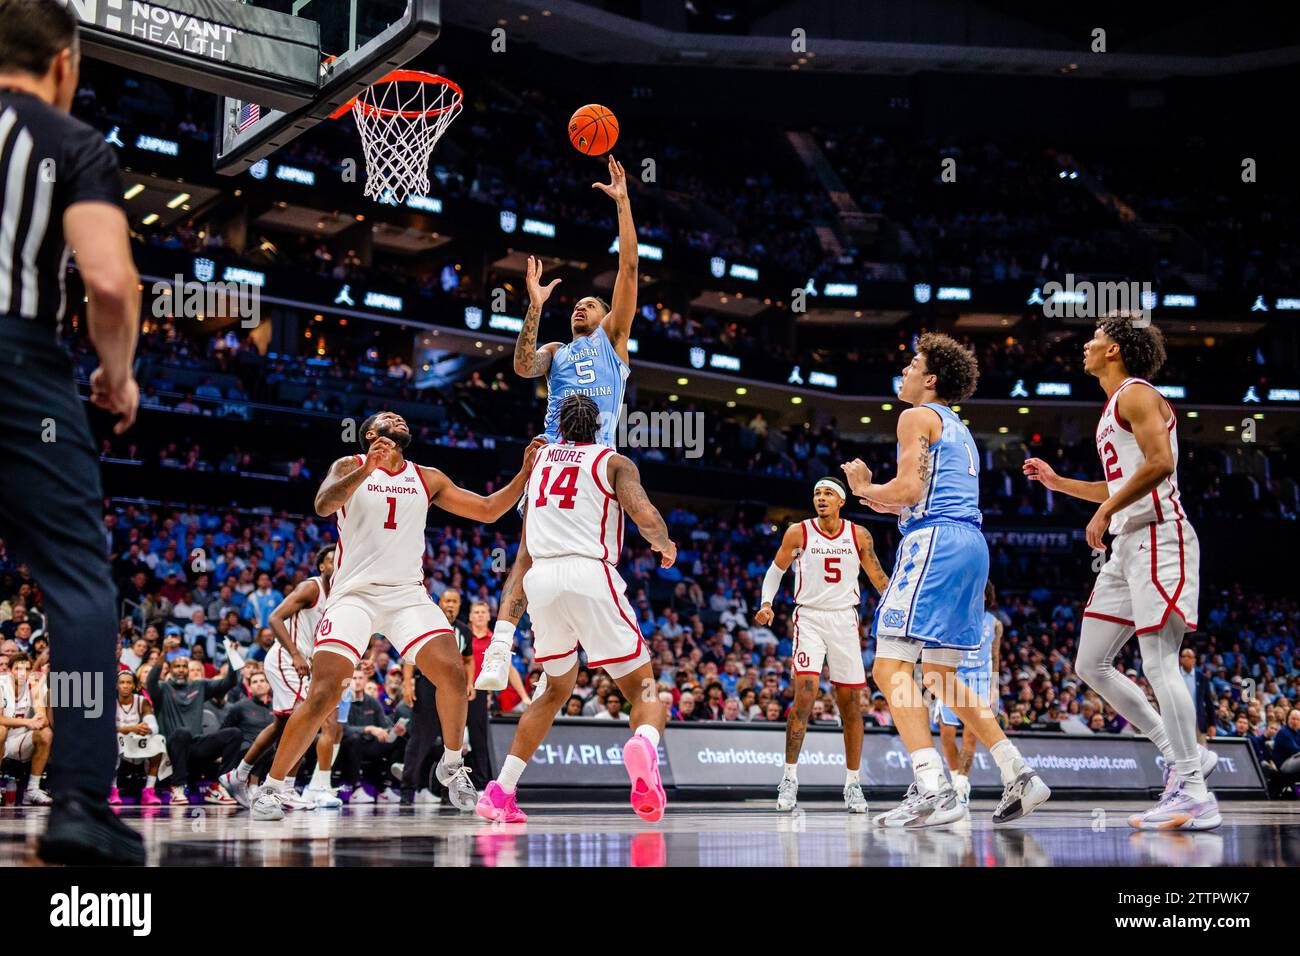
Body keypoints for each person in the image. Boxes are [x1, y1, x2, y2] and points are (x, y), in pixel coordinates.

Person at [0, 0, 144, 864]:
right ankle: (80, 801)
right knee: (80, 588)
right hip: (22, 370)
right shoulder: (69, 141)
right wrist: (116, 373)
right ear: (62, 65)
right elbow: (110, 282)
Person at [250, 412, 541, 820]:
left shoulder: (428, 477)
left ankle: (452, 765)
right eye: (387, 418)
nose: (398, 419)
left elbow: (490, 510)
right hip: (354, 595)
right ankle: (272, 788)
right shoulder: (350, 465)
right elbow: (322, 505)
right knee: (325, 692)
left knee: (454, 673)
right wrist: (367, 468)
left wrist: (525, 473)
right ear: (371, 434)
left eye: (401, 418)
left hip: (406, 595)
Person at [843, 332, 1050, 827]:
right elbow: (920, 491)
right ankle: (1017, 772)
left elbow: (912, 487)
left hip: (934, 542)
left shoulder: (915, 415)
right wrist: (886, 500)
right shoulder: (958, 428)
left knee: (888, 668)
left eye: (912, 364)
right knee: (939, 676)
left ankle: (933, 787)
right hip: (971, 547)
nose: (905, 371)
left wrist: (863, 488)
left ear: (930, 378)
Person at [1024, 315, 1219, 831]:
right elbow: (1123, 480)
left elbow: (1160, 465)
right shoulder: (1114, 406)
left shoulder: (1136, 394)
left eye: (1095, 339)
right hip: (1127, 546)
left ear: (1114, 351)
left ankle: (1194, 793)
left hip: (1159, 535)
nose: (1086, 345)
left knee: (1159, 661)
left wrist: (1106, 510)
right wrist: (1059, 482)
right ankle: (1183, 756)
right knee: (1090, 662)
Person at [477, 155, 640, 691]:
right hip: (550, 453)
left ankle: (581, 653)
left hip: (597, 460)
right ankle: (500, 647)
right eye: (577, 305)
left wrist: (622, 203)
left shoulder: (613, 342)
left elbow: (629, 271)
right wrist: (534, 305)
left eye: (589, 304)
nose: (581, 308)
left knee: (592, 557)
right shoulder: (557, 349)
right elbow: (523, 365)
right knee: (528, 552)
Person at [476, 394, 675, 824]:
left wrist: (503, 631)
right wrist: (664, 543)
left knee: (553, 689)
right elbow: (645, 515)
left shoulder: (540, 463)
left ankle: (500, 792)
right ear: (599, 426)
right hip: (589, 574)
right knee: (643, 688)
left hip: (541, 580)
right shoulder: (614, 462)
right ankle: (642, 741)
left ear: (559, 426)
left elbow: (523, 554)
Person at [754, 477, 890, 814]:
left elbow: (877, 577)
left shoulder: (858, 535)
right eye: (817, 493)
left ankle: (853, 784)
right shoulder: (798, 532)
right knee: (805, 693)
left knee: (851, 705)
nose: (821, 497)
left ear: (841, 500)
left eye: (828, 492)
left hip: (844, 620)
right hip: (810, 618)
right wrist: (767, 603)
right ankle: (789, 778)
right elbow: (775, 570)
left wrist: (900, 603)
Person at [220, 545, 341, 810]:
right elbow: (274, 619)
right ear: (321, 566)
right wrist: (296, 654)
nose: (337, 564)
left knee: (282, 725)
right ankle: (282, 787)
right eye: (331, 560)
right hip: (286, 659)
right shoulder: (310, 589)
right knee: (304, 721)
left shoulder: (339, 596)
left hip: (304, 663)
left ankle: (239, 774)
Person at [145, 637, 246, 805]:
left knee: (234, 734)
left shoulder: (199, 686)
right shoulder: (163, 688)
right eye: (177, 666)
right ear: (169, 670)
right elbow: (151, 682)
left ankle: (218, 784)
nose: (181, 670)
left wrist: (231, 654)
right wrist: (163, 653)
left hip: (196, 745)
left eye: (184, 666)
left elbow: (230, 682)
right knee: (182, 733)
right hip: (172, 747)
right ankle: (177, 787)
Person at [400, 587, 472, 804]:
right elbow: (408, 658)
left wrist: (470, 683)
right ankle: (407, 790)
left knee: (451, 740)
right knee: (420, 739)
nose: (450, 605)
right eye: (447, 601)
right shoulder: (428, 626)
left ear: (459, 605)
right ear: (440, 603)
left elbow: (468, 660)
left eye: (454, 601)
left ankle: (447, 793)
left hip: (452, 689)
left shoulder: (464, 631)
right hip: (427, 684)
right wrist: (407, 683)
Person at [935, 581, 1003, 806]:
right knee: (946, 733)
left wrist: (994, 688)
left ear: (986, 597)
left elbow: (995, 656)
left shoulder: (995, 624)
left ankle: (962, 785)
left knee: (970, 735)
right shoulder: (954, 618)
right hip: (954, 678)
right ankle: (955, 777)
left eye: (980, 594)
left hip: (981, 681)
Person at [0, 653, 52, 804]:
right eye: (18, 669)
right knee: (1, 729)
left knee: (46, 733)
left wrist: (39, 715)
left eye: (27, 669)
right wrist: (28, 722)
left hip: (19, 742)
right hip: (3, 739)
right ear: (9, 671)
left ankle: (32, 789)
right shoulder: (1, 684)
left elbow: (42, 720)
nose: (23, 673)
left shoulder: (33, 686)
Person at [110, 670, 164, 805]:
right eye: (122, 682)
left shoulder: (142, 702)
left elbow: (154, 728)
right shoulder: (110, 702)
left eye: (129, 682)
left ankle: (149, 790)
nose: (125, 686)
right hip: (117, 741)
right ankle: (112, 790)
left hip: (135, 740)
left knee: (159, 740)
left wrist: (145, 730)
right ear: (116, 685)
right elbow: (104, 729)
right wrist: (130, 728)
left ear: (135, 686)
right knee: (112, 740)